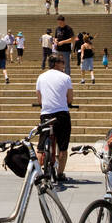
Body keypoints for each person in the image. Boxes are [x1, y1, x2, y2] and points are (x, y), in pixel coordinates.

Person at [35, 54, 74, 182]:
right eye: (62, 62)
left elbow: (39, 98)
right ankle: (60, 174)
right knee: (63, 147)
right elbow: (69, 99)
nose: (64, 64)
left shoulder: (41, 77)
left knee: (41, 146)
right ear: (56, 63)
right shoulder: (66, 77)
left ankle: (37, 172)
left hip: (46, 114)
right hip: (62, 115)